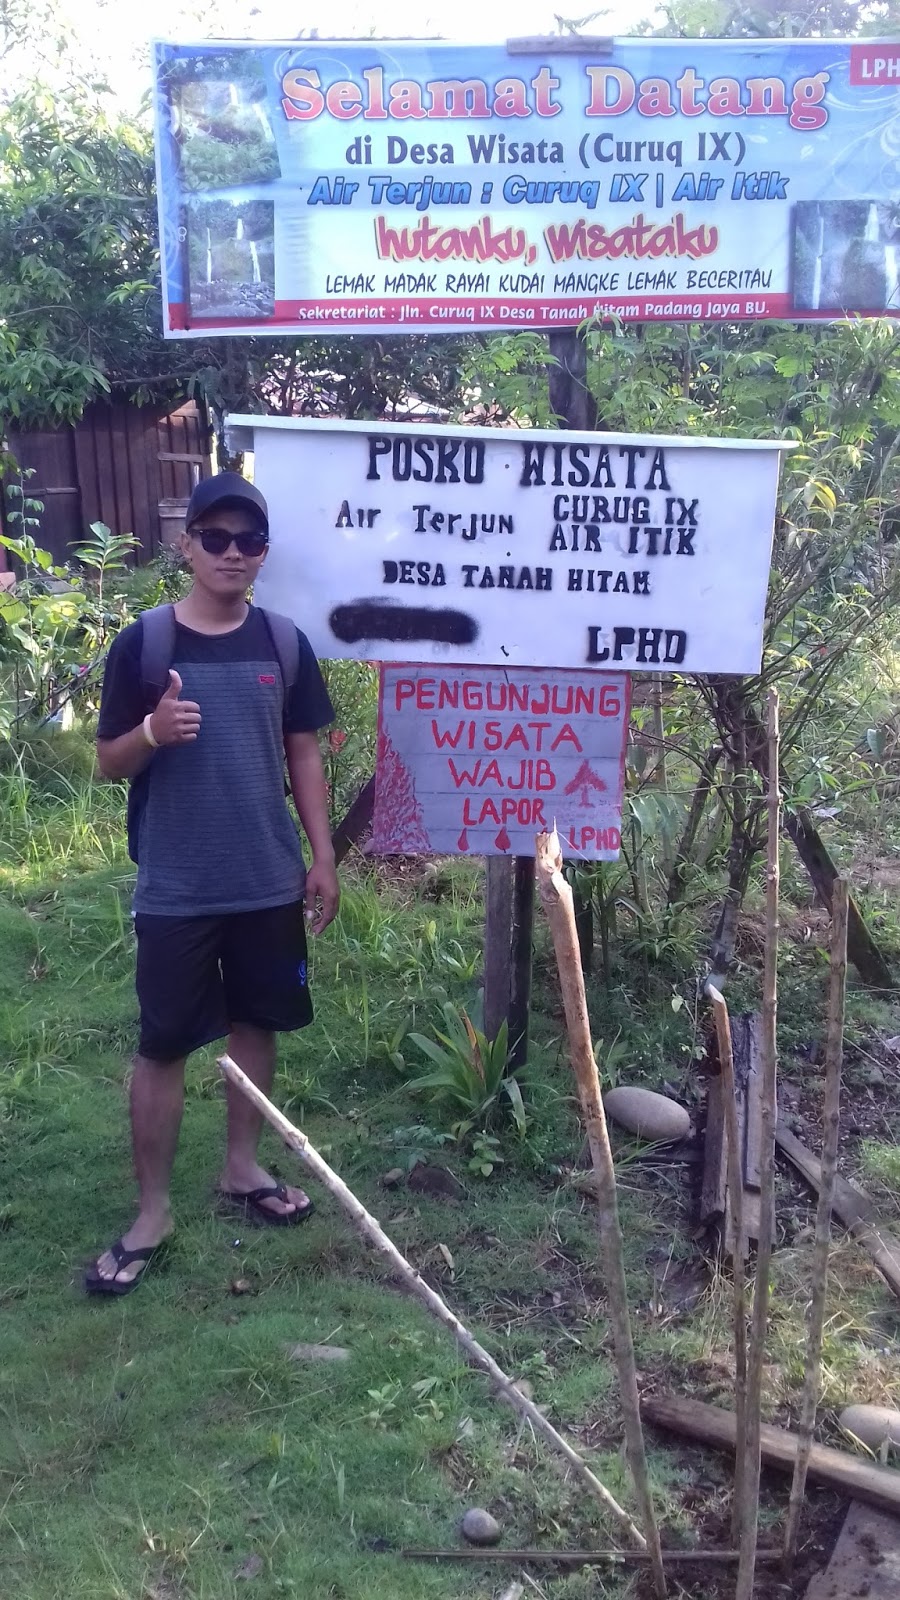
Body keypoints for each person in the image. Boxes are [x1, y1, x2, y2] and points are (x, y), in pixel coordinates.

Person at [86, 472, 339, 1295]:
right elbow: (108, 762)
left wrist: (322, 856)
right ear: (186, 545)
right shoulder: (146, 645)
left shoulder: (284, 644)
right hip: (177, 887)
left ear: (264, 553)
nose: (234, 553)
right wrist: (153, 732)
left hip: (267, 880)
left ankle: (241, 1167)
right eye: (217, 538)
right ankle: (151, 1211)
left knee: (255, 1024)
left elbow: (304, 752)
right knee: (163, 1043)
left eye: (249, 540)